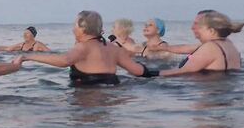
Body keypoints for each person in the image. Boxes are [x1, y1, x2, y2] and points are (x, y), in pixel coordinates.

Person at [18, 11, 153, 85]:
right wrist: (164, 73)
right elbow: (139, 71)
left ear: (83, 29)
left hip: (87, 102)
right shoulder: (113, 48)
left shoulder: (83, 47)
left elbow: (64, 60)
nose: (72, 29)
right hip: (112, 98)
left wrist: (28, 57)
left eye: (74, 26)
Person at [154, 10, 243, 76]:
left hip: (212, 90)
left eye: (200, 27)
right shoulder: (228, 44)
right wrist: (165, 47)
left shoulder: (210, 47)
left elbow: (183, 71)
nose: (196, 30)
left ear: (211, 31)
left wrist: (150, 73)